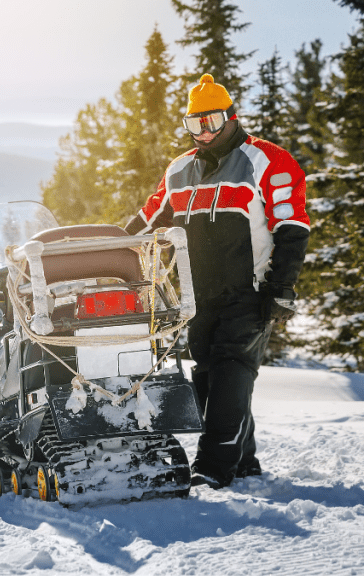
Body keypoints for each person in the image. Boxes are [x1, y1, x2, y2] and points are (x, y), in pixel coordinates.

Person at [124, 74, 311, 489]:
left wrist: (282, 287)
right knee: (207, 374)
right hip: (199, 293)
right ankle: (243, 461)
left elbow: (293, 226)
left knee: (232, 368)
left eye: (211, 122)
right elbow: (147, 220)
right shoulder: (179, 171)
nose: (203, 133)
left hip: (250, 290)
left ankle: (213, 465)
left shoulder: (267, 161)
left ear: (231, 116)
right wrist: (108, 249)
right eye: (195, 125)